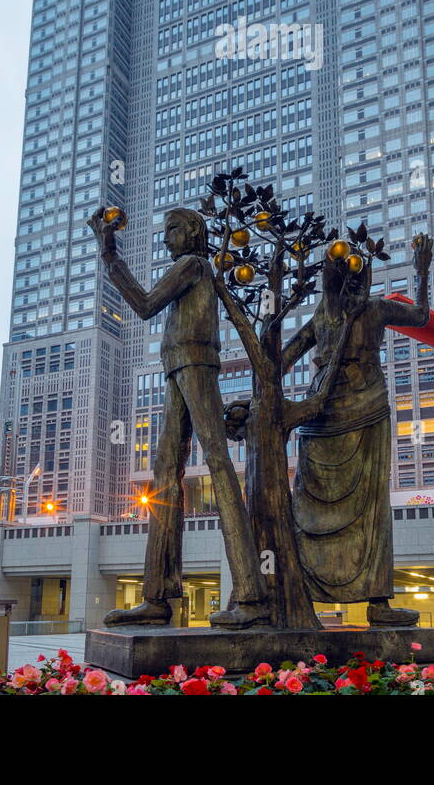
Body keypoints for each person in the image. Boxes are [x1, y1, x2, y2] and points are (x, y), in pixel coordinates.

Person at [88, 205, 269, 628]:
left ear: (192, 233)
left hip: (194, 363)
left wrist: (109, 252)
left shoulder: (192, 264)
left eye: (172, 229)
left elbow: (146, 304)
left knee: (219, 465)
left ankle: (250, 595)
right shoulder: (193, 267)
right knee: (165, 475)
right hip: (176, 368)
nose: (165, 238)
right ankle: (159, 597)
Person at [281, 233, 433, 625]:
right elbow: (282, 359)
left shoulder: (377, 309)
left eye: (355, 270)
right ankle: (302, 597)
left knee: (373, 509)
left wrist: (420, 271)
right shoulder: (322, 315)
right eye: (340, 269)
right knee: (305, 505)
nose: (349, 279)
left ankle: (378, 602)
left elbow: (419, 317)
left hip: (368, 408)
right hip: (321, 415)